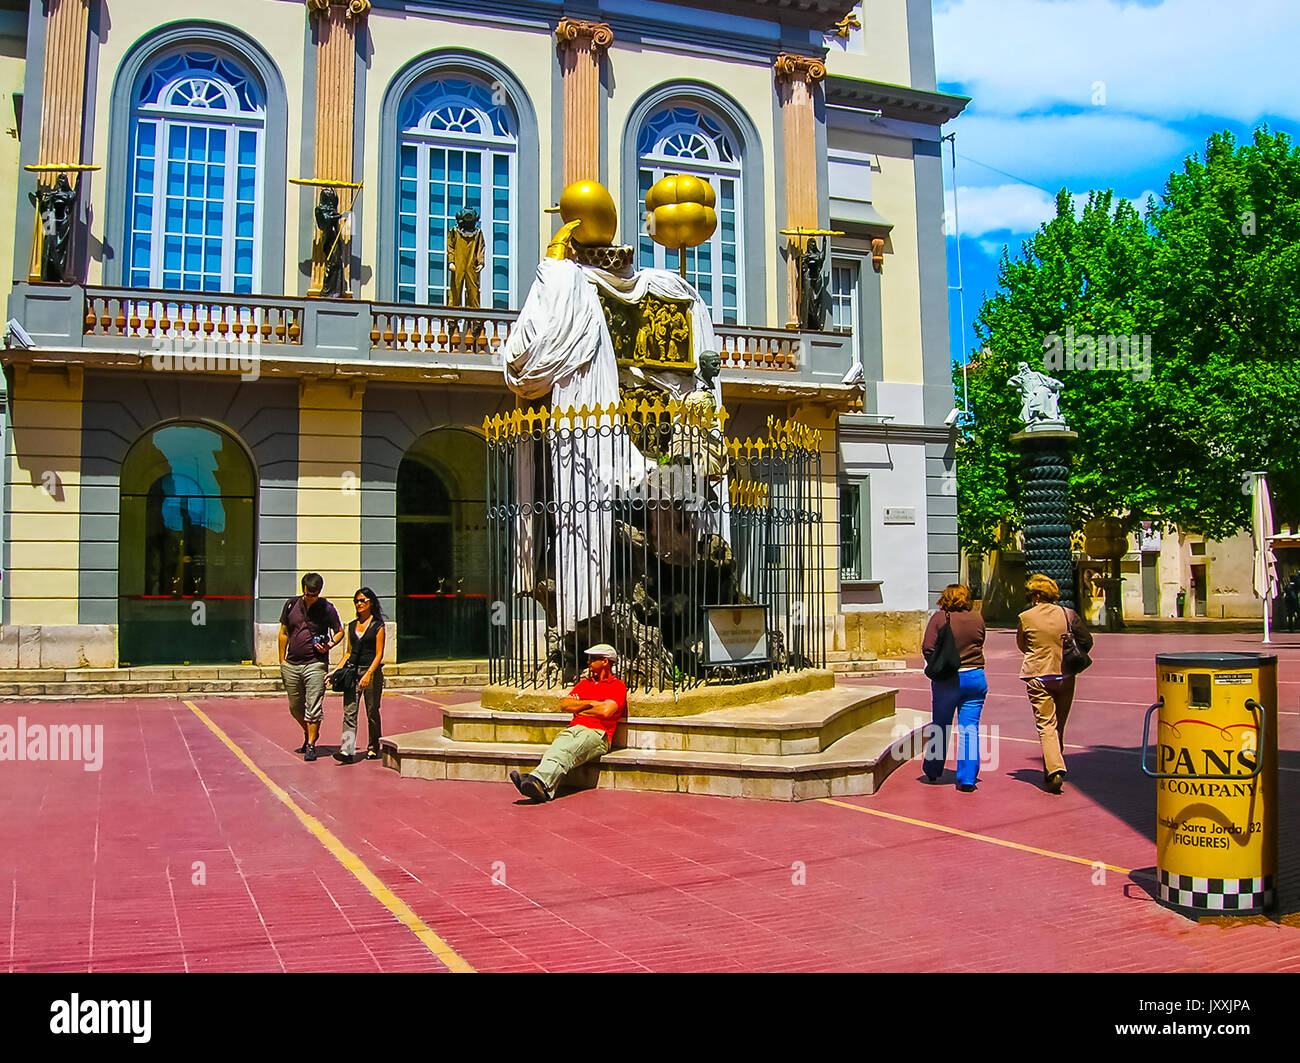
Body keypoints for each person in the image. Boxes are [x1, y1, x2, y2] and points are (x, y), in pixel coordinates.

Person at [510, 644, 627, 802]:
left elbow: (606, 712)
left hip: (598, 734)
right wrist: (592, 703)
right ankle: (540, 786)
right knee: (557, 748)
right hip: (574, 728)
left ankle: (537, 780)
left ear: (605, 662)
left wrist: (580, 708)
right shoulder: (584, 684)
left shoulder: (617, 686)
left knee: (568, 750)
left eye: (593, 659)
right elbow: (566, 705)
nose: (588, 662)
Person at [1016, 573, 1093, 793]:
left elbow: (1022, 645)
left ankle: (1054, 769)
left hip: (1038, 675)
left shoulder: (1025, 617)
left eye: (1031, 594)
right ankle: (1053, 767)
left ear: (1037, 595)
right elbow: (1087, 641)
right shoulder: (1068, 614)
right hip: (1066, 675)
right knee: (1059, 724)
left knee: (1046, 726)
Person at [920, 584, 988, 792]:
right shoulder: (977, 618)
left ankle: (933, 769)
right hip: (976, 676)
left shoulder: (940, 618)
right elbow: (981, 640)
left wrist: (939, 665)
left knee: (941, 725)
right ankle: (967, 778)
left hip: (948, 679)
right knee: (970, 728)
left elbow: (927, 647)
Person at [279, 573, 343, 762]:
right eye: (308, 594)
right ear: (303, 590)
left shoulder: (327, 609)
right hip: (291, 664)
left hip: (315, 664)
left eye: (314, 595)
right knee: (295, 707)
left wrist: (330, 644)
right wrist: (281, 660)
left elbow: (339, 631)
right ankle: (309, 733)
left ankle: (311, 745)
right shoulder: (291, 605)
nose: (311, 598)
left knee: (313, 706)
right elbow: (283, 632)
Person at [330, 587, 387, 763]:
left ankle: (373, 746)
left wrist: (369, 673)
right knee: (349, 712)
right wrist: (336, 670)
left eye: (363, 600)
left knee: (372, 711)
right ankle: (347, 750)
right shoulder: (352, 626)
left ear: (371, 603)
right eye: (357, 600)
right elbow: (348, 652)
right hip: (352, 672)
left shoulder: (378, 626)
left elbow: (379, 654)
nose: (359, 603)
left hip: (371, 672)